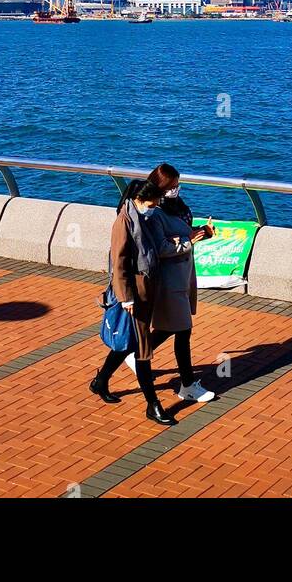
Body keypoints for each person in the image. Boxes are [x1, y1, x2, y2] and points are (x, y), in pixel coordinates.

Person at [89, 180, 188, 426]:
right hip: (132, 297)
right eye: (151, 203)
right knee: (143, 351)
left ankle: (100, 381)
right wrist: (126, 298)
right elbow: (118, 264)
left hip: (146, 291)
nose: (154, 207)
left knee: (127, 344)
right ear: (138, 199)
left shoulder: (142, 218)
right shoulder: (124, 222)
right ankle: (152, 405)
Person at [124, 163, 217, 404]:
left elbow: (184, 232)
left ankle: (130, 358)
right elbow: (161, 247)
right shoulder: (153, 211)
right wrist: (189, 241)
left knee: (171, 327)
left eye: (178, 185)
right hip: (168, 279)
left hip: (183, 274)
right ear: (161, 188)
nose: (176, 190)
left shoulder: (177, 206)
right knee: (183, 330)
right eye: (172, 186)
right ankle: (187, 385)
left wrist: (202, 231)